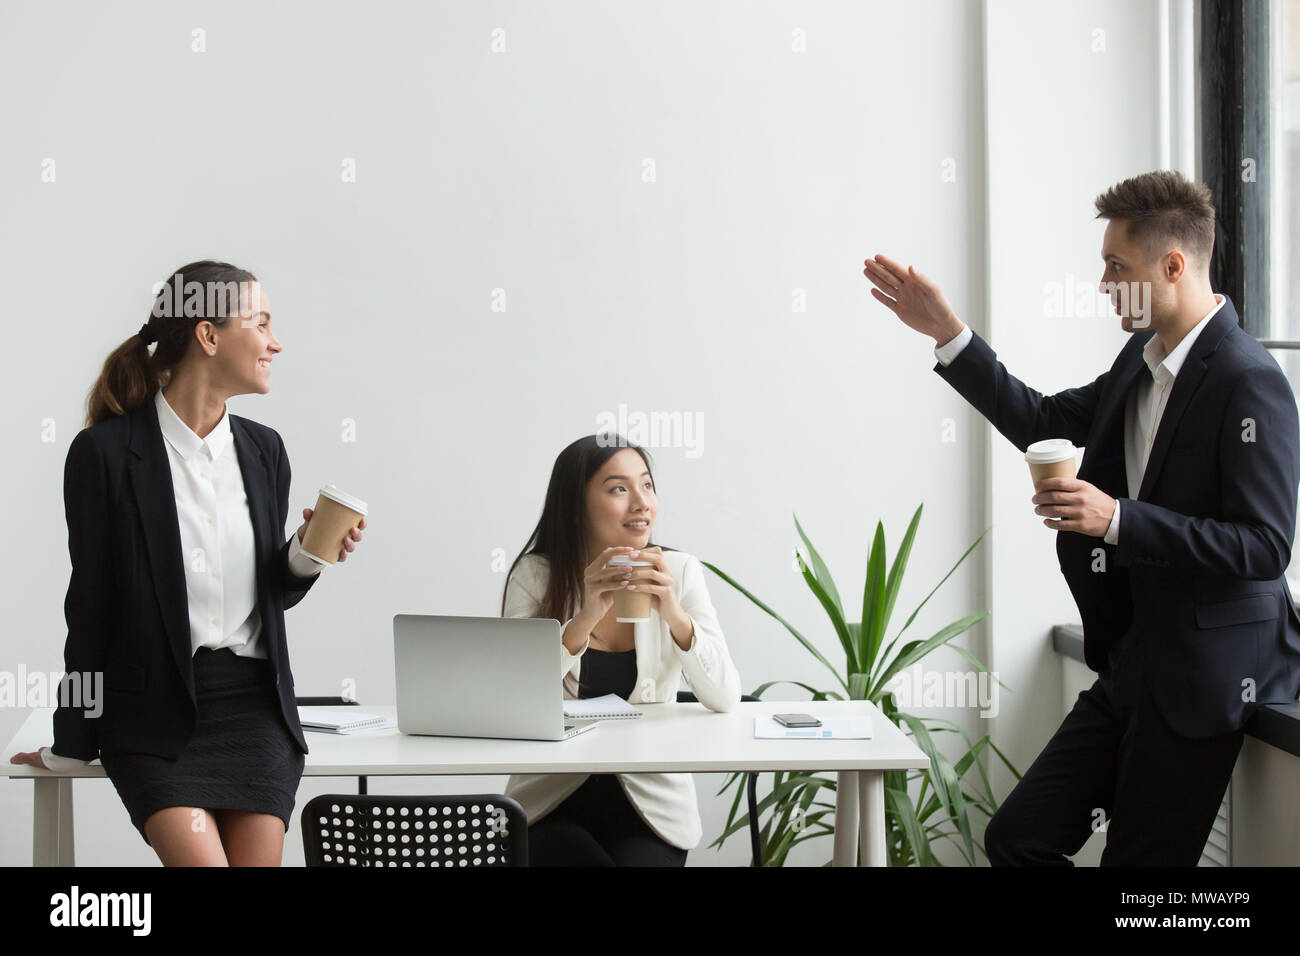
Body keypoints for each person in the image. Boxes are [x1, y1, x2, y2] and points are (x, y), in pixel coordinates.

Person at [864, 169, 1300, 866]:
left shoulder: (1250, 381)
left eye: (1114, 266)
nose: (1102, 284)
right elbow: (1045, 420)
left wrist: (1118, 518)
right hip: (1132, 662)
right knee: (1017, 836)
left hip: (1203, 679)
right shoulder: (1143, 357)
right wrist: (948, 334)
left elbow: (1265, 545)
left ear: (1173, 265)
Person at [9, 260, 367, 866]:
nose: (276, 342)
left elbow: (266, 592)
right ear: (209, 335)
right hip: (152, 719)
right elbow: (91, 607)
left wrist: (307, 554)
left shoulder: (263, 450)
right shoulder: (104, 455)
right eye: (261, 323)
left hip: (255, 713)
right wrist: (71, 741)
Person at [499, 434, 742, 866]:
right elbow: (513, 697)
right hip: (549, 798)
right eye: (618, 489)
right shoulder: (536, 576)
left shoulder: (681, 571)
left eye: (647, 485)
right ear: (576, 506)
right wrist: (586, 616)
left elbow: (724, 695)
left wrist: (674, 614)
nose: (641, 502)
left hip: (651, 806)